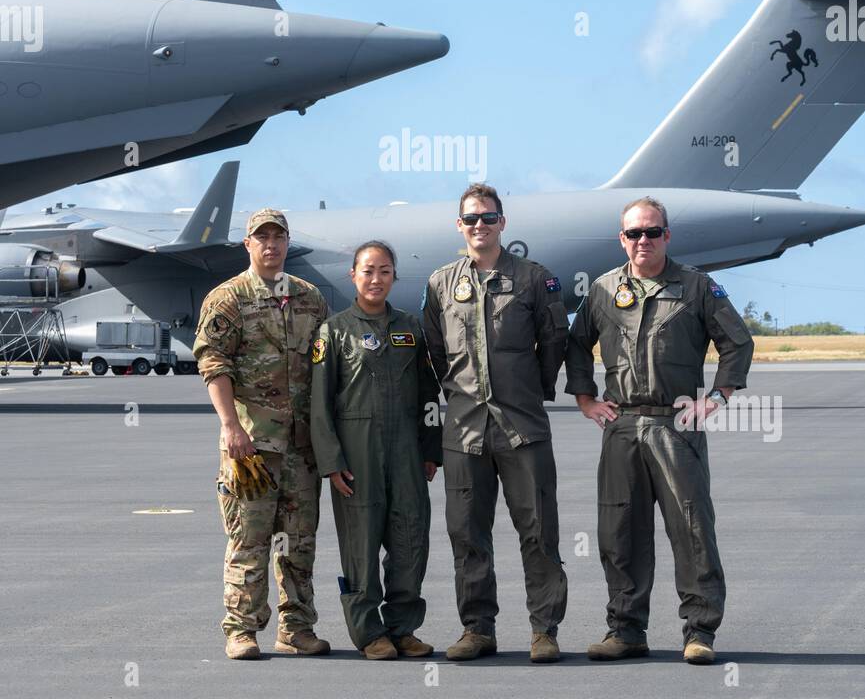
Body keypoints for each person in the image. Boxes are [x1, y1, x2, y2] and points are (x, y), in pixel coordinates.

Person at [565, 196, 754, 665]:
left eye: (652, 232)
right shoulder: (604, 290)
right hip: (622, 424)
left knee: (691, 530)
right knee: (619, 532)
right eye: (634, 233)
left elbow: (737, 342)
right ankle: (626, 630)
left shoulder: (696, 287)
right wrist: (586, 399)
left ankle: (699, 632)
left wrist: (718, 397)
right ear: (622, 239)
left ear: (667, 236)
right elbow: (574, 345)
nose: (643, 240)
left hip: (676, 424)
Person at [422, 184, 570, 663]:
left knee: (539, 530)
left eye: (488, 218)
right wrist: (460, 399)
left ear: (503, 222)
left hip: (522, 428)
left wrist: (530, 394)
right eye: (470, 219)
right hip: (464, 431)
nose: (479, 226)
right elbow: (435, 353)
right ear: (458, 226)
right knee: (466, 533)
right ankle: (477, 628)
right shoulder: (440, 284)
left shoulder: (533, 279)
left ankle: (544, 631)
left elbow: (553, 346)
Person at [194, 208, 330, 661]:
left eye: (279, 237)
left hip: (301, 447)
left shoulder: (311, 299)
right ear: (247, 245)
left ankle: (296, 628)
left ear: (288, 243)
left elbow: (325, 366)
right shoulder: (227, 298)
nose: (271, 245)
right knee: (249, 540)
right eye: (261, 237)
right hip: (251, 447)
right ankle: (241, 629)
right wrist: (230, 426)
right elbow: (213, 363)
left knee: (299, 542)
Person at [310, 242, 442, 660]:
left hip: (405, 452)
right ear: (353, 275)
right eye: (368, 271)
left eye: (385, 271)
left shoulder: (411, 329)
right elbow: (319, 405)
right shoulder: (333, 331)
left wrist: (431, 451)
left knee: (410, 542)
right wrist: (331, 463)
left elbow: (429, 395)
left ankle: (403, 627)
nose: (376, 279)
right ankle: (369, 634)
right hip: (357, 456)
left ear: (393, 277)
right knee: (361, 548)